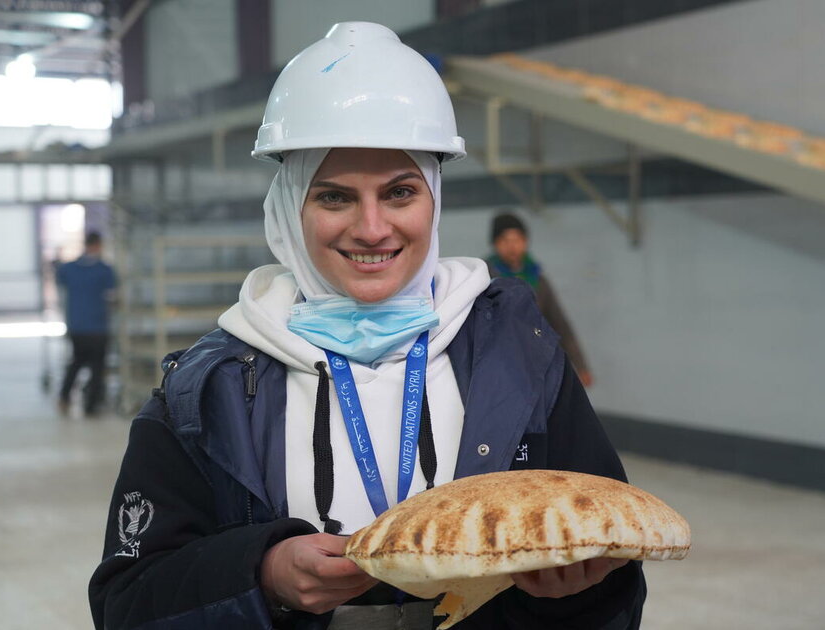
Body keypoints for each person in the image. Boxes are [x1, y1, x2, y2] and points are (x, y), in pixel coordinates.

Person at [89, 22, 644, 629]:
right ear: (288, 208)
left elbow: (615, 569)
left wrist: (574, 591)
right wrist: (262, 574)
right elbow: (128, 604)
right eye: (334, 197)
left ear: (434, 200)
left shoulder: (520, 356)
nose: (373, 228)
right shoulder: (206, 389)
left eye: (400, 192)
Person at [487, 212, 594, 387]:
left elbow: (560, 323)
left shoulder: (538, 280)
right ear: (495, 244)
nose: (512, 246)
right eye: (504, 240)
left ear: (525, 242)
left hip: (532, 364)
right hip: (497, 367)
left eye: (517, 240)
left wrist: (580, 365)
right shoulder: (485, 278)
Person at [57, 231, 116, 416]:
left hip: (77, 325)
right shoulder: (104, 270)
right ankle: (91, 406)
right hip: (98, 326)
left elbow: (61, 287)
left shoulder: (69, 268)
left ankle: (64, 397)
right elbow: (112, 296)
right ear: (98, 245)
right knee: (97, 366)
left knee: (76, 362)